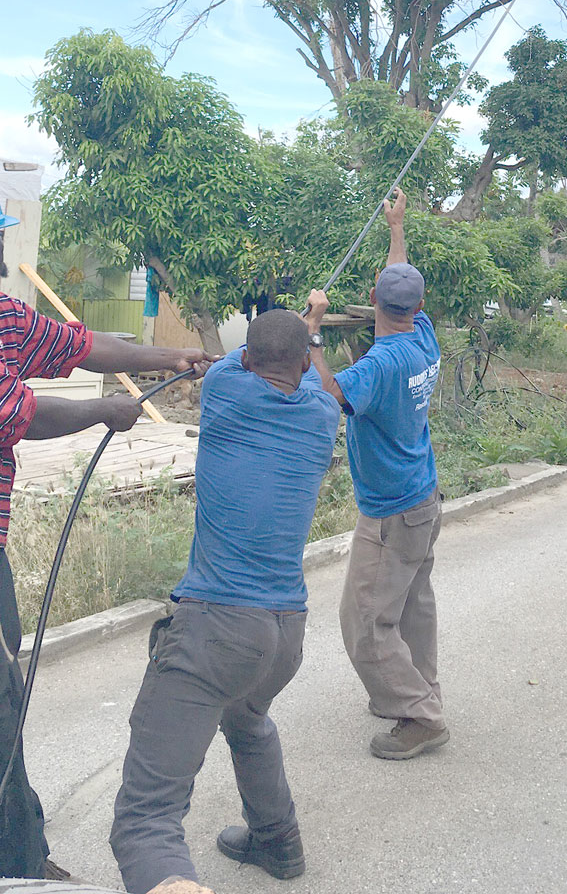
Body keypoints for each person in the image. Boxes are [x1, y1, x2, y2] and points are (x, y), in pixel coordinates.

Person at [0, 166, 210, 881]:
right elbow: (19, 416)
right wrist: (104, 410)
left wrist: (175, 357)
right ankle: (4, 873)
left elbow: (77, 346)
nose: (4, 241)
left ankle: (19, 856)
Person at [109, 308, 340, 890]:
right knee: (247, 716)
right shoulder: (321, 411)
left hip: (217, 624)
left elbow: (256, 364)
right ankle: (277, 840)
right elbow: (305, 369)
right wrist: (311, 327)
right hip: (285, 630)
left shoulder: (226, 389)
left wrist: (303, 325)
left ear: (244, 358)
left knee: (146, 818)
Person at [304, 188, 446, 762]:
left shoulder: (380, 365)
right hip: (424, 498)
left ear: (371, 301)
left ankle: (420, 715)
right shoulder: (424, 336)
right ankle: (417, 689)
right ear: (416, 304)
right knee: (413, 606)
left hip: (390, 511)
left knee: (363, 621)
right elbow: (399, 278)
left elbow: (332, 393)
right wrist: (396, 228)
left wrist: (313, 327)